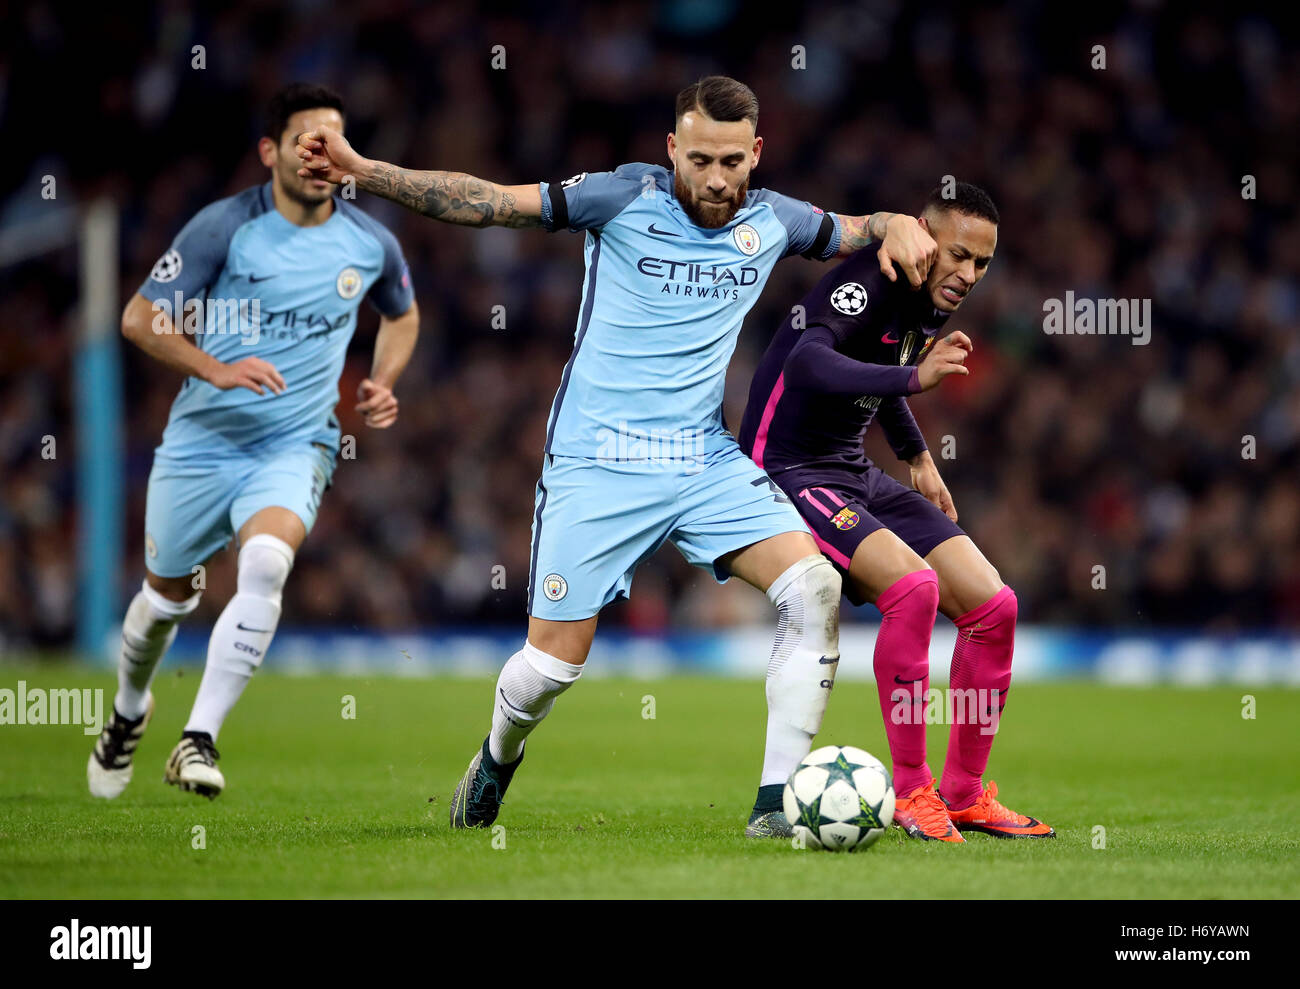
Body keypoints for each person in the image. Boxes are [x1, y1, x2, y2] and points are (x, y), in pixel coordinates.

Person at [296, 75, 939, 834]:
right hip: (598, 460)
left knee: (814, 589)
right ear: (672, 148)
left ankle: (774, 806)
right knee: (550, 669)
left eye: (733, 161)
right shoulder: (622, 197)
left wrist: (898, 222)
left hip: (702, 459)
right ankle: (499, 755)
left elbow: (859, 228)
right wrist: (364, 170)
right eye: (700, 160)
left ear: (757, 153)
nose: (716, 179)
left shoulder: (775, 219)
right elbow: (490, 202)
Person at [89, 83, 420, 800]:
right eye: (307, 141)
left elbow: (402, 313)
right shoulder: (223, 228)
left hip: (294, 445)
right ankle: (129, 709)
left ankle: (197, 738)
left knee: (267, 563)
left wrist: (384, 378)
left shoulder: (369, 243)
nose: (322, 156)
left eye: (334, 142)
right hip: (201, 442)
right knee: (166, 599)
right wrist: (214, 368)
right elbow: (140, 319)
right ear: (270, 152)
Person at [738, 182, 1053, 840]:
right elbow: (809, 362)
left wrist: (916, 453)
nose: (969, 274)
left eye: (983, 262)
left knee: (994, 608)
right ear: (925, 239)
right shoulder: (869, 279)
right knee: (913, 590)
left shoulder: (927, 298)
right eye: (960, 255)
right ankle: (911, 791)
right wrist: (915, 379)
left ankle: (964, 794)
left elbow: (879, 363)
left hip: (852, 467)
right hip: (789, 468)